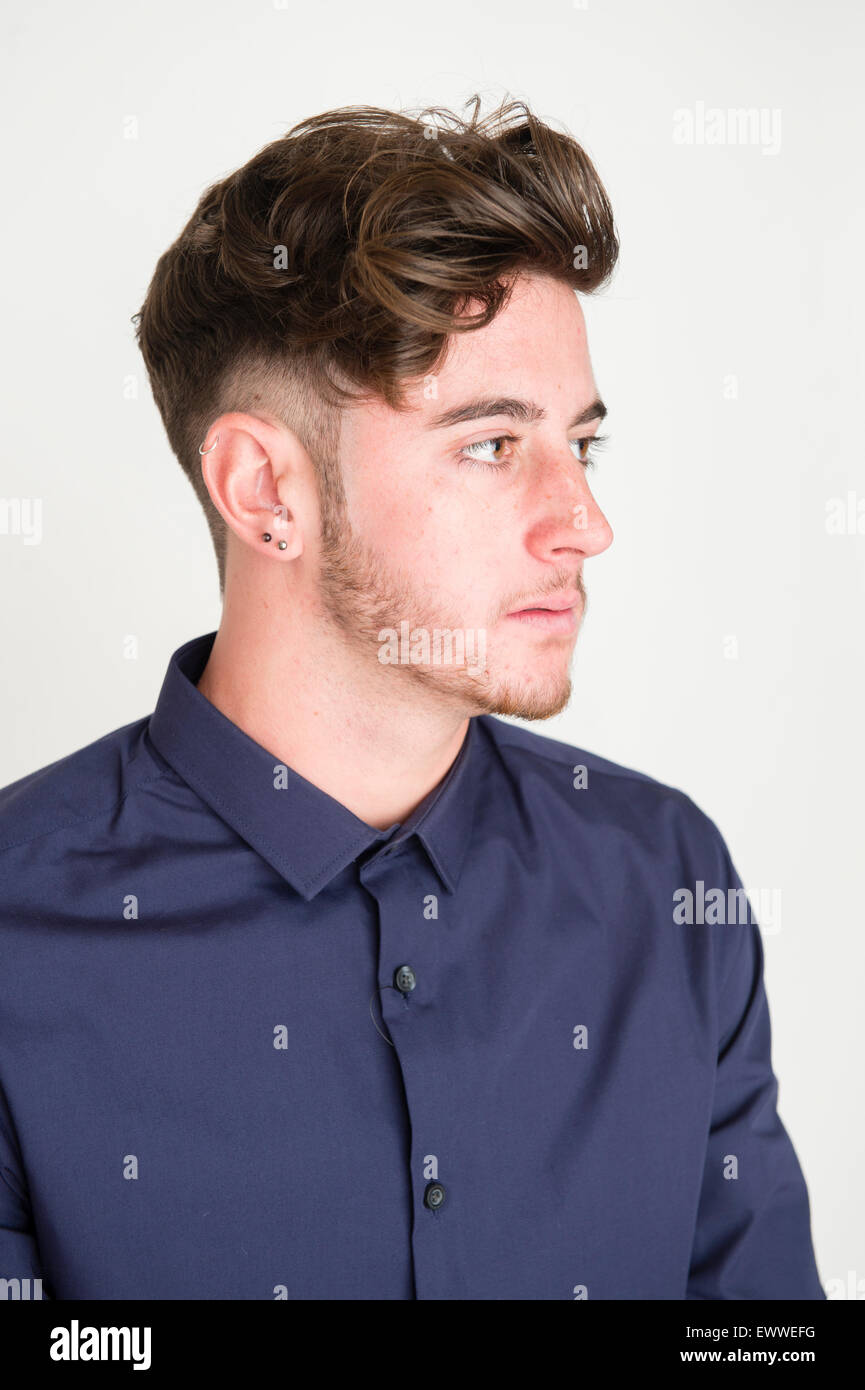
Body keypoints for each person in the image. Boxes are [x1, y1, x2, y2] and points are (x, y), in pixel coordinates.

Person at [0, 97, 823, 1300]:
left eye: (578, 444)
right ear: (263, 489)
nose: (586, 522)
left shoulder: (663, 881)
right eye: (491, 444)